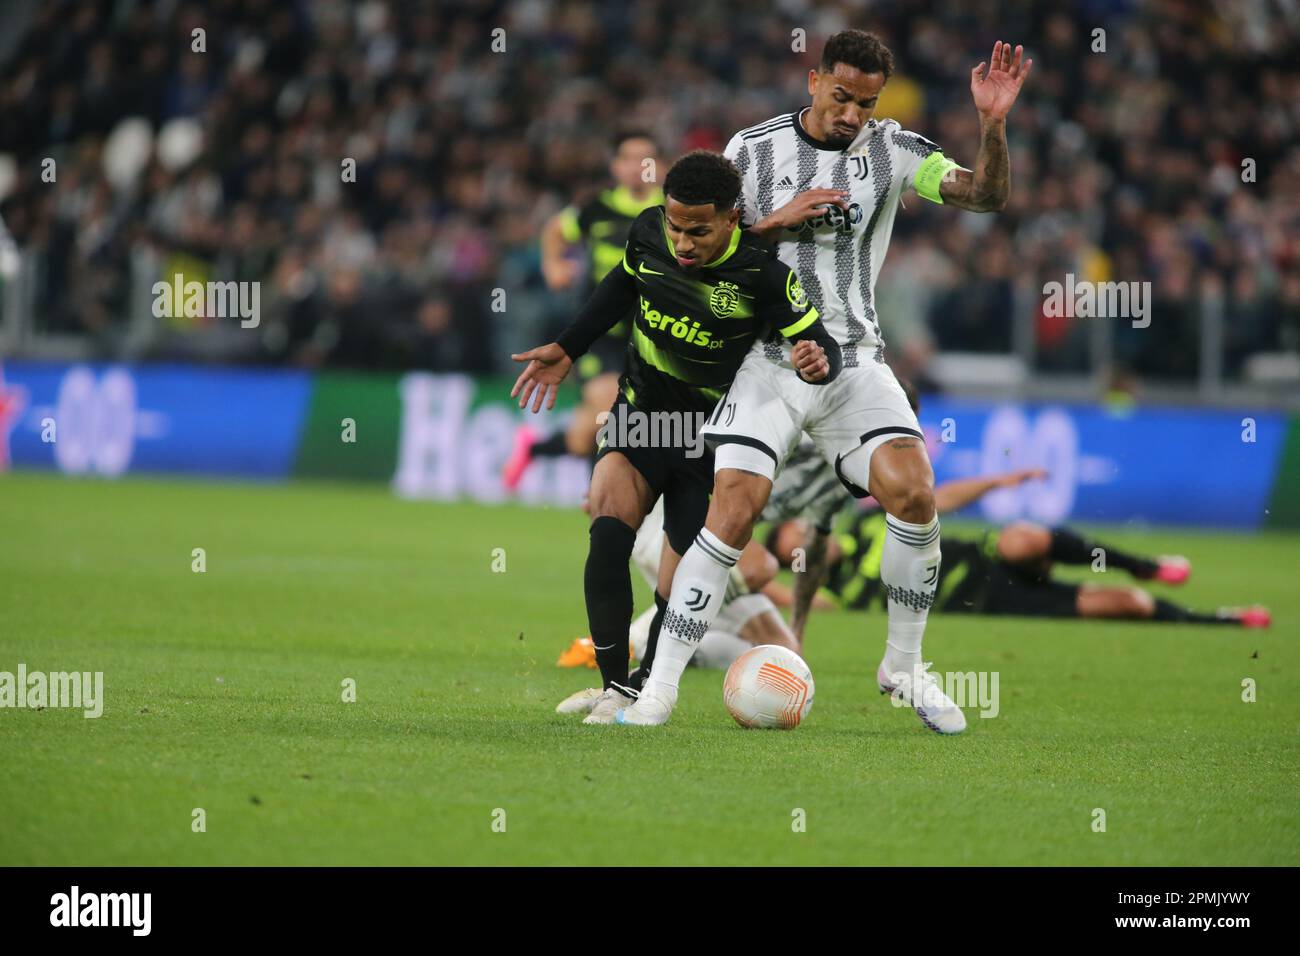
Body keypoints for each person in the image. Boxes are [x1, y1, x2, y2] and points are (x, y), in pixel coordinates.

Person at [621, 32, 1032, 733]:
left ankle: (903, 666)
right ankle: (658, 688)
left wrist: (992, 125)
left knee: (915, 493)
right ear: (813, 81)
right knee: (733, 513)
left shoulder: (895, 149)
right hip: (766, 360)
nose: (851, 114)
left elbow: (985, 197)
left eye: (865, 103)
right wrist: (777, 224)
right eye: (841, 97)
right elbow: (695, 251)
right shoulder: (749, 151)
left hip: (852, 360)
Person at [510, 150, 841, 724]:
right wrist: (567, 348)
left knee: (678, 583)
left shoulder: (763, 276)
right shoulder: (647, 235)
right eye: (674, 226)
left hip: (707, 441)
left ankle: (644, 686)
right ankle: (614, 688)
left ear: (731, 220)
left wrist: (817, 360)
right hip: (641, 415)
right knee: (607, 537)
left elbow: (820, 343)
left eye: (697, 230)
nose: (682, 242)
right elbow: (618, 286)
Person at [502, 132, 664, 489]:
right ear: (616, 166)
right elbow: (556, 230)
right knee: (613, 411)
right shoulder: (597, 209)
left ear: (660, 166)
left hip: (652, 335)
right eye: (630, 159)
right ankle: (604, 502)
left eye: (647, 159)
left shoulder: (671, 209)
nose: (639, 167)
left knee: (581, 439)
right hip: (600, 334)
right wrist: (553, 265)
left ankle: (533, 449)